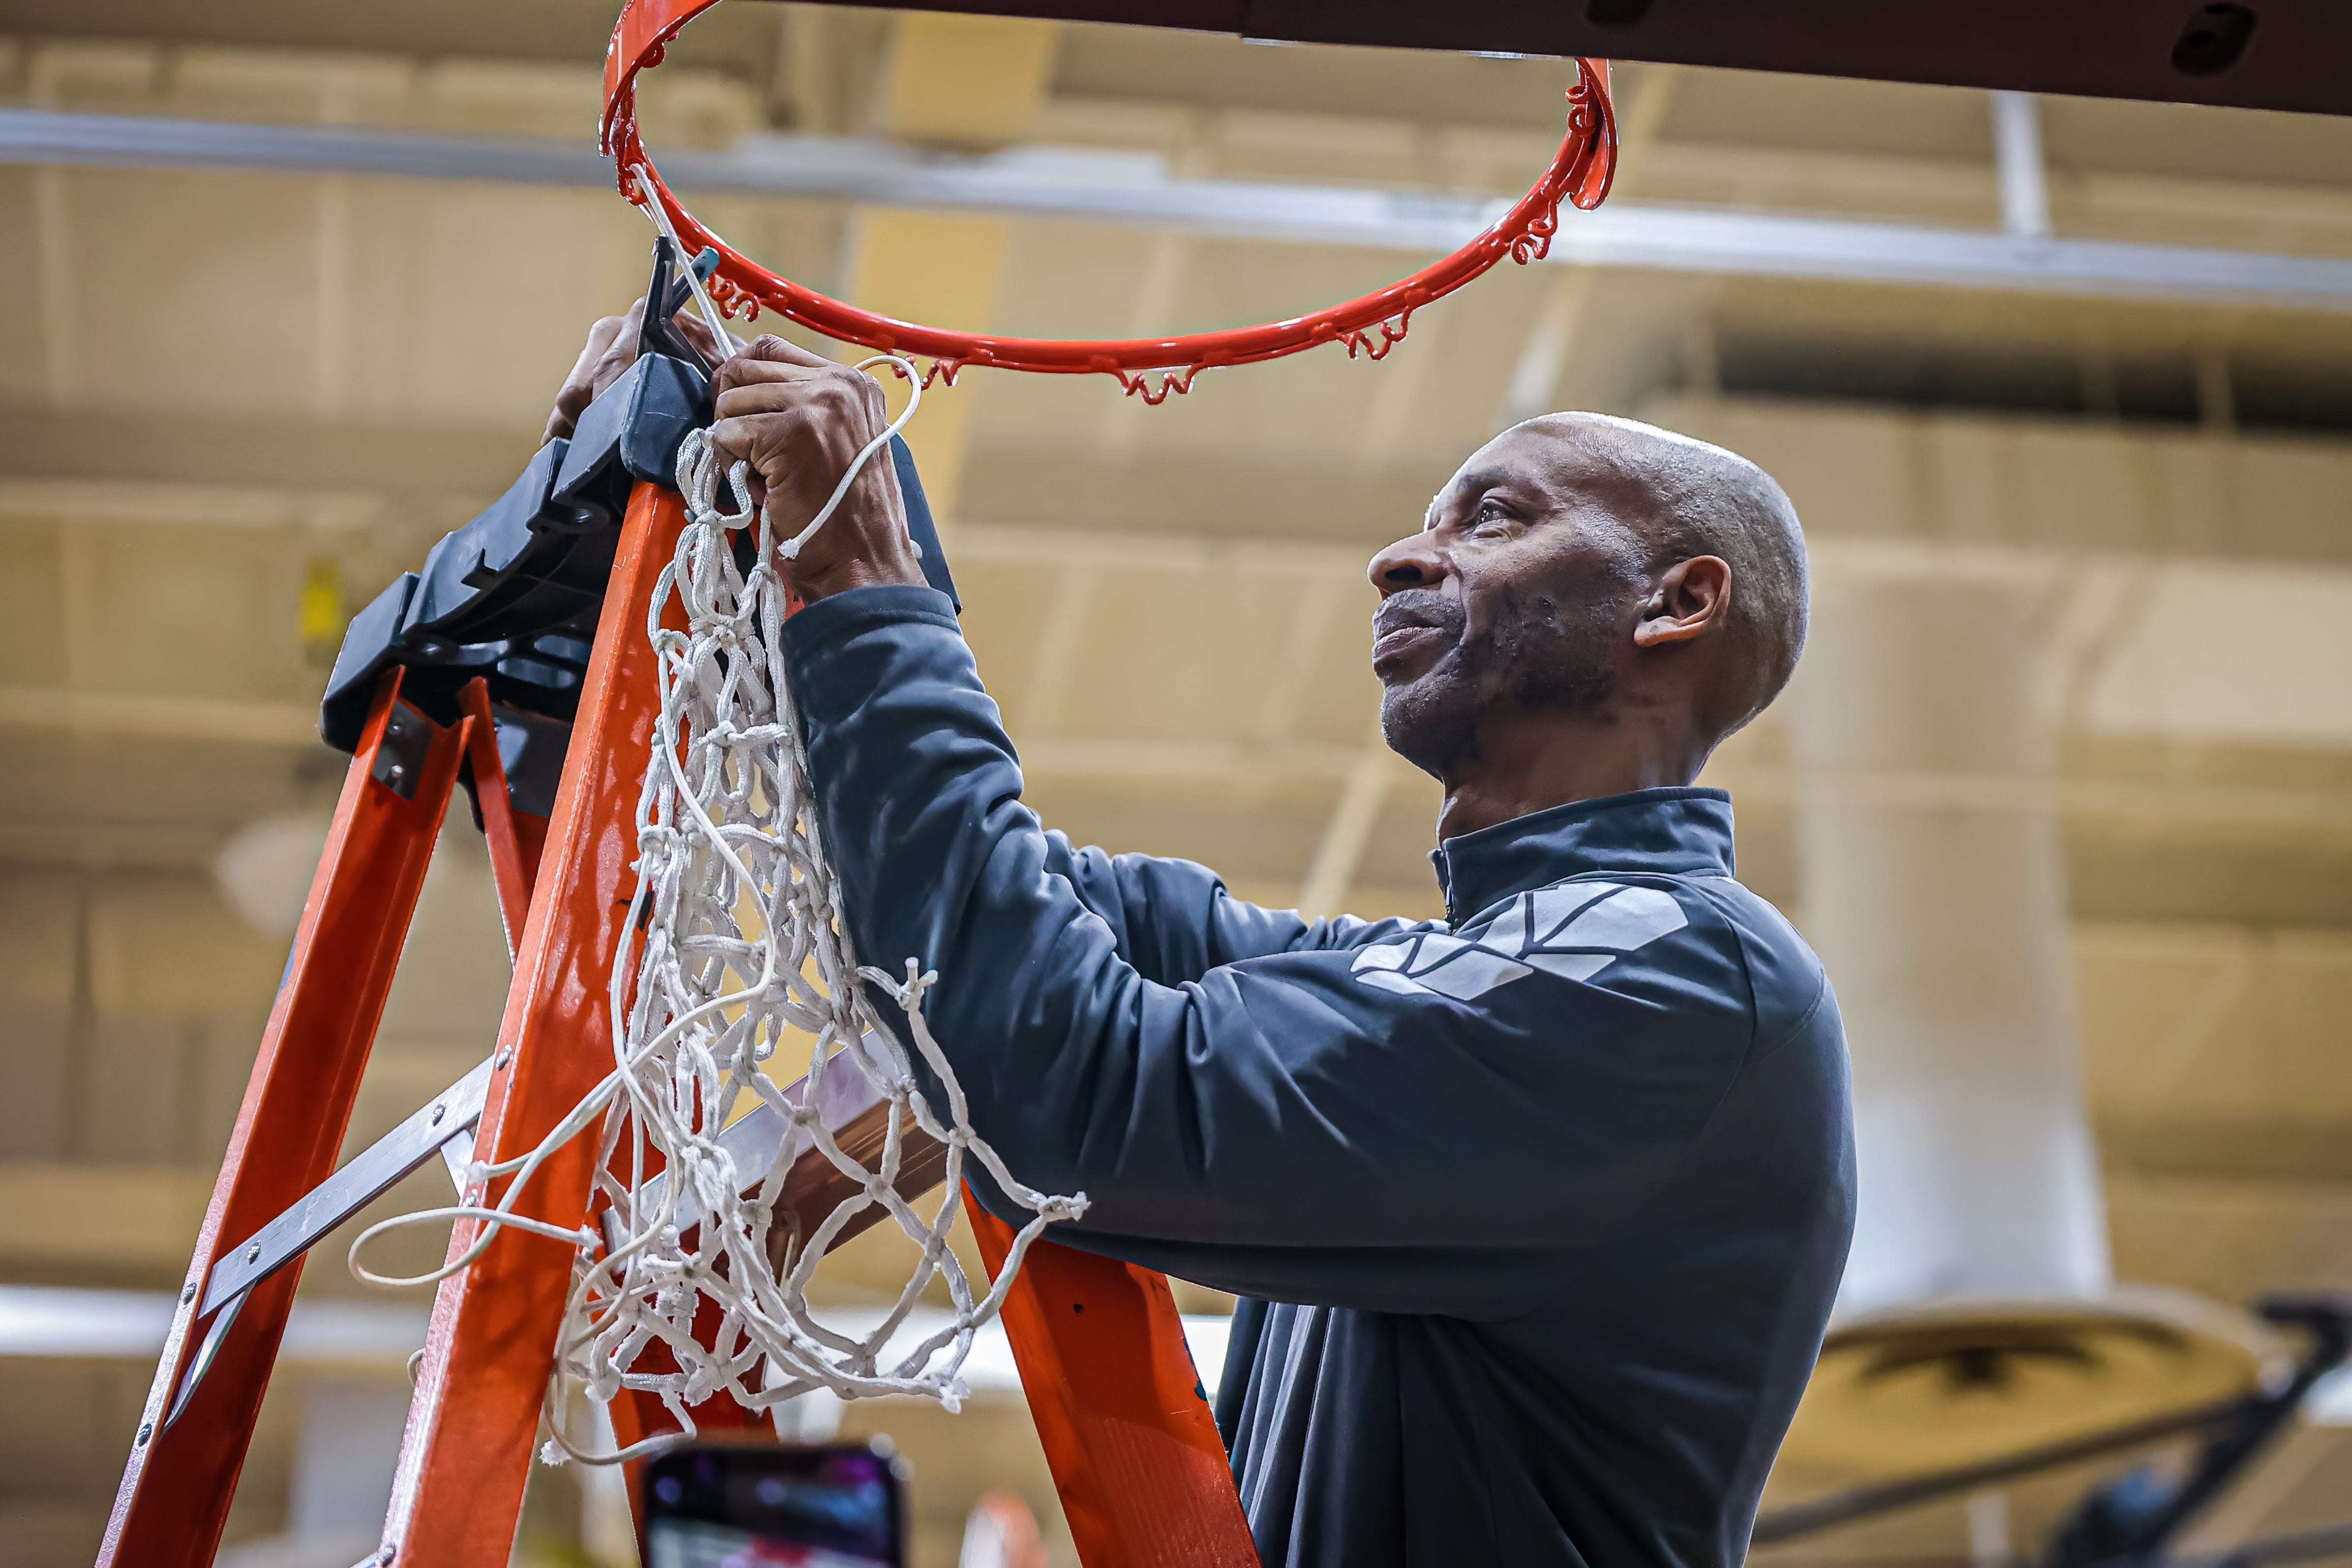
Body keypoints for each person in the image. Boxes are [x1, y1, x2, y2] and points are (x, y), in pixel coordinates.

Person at [549, 320, 1855, 1568]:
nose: (1397, 558)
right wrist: (778, 492)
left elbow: (1057, 1078)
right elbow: (1048, 915)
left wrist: (860, 573)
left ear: (1675, 603)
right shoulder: (1459, 984)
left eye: (1495, 519)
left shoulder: (1683, 987)